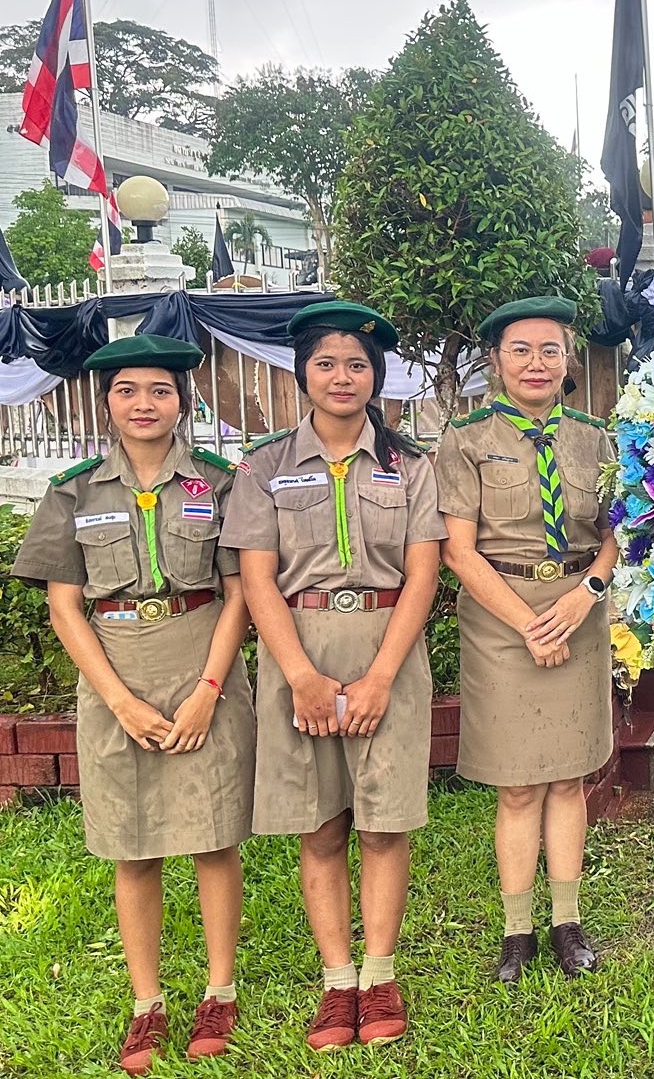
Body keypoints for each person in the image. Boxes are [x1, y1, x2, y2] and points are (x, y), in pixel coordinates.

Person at [11, 335, 255, 1075]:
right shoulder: (74, 490)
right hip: (116, 676)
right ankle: (147, 1002)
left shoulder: (219, 481)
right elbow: (65, 609)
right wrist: (117, 701)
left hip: (201, 663)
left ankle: (220, 990)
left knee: (214, 839)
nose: (144, 404)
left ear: (184, 400)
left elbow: (242, 592)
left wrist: (210, 691)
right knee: (134, 845)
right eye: (127, 391)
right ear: (107, 401)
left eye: (159, 390)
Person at [219, 301, 445, 1052]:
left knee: (383, 824)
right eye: (327, 364)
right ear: (303, 375)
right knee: (320, 826)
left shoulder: (409, 465)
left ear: (375, 376)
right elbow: (256, 580)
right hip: (300, 652)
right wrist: (299, 676)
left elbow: (422, 576)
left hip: (388, 649)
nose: (342, 377)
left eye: (357, 364)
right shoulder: (263, 467)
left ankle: (380, 977)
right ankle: (337, 981)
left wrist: (381, 676)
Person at [436, 297, 617, 984]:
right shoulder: (465, 439)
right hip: (500, 618)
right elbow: (459, 551)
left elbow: (615, 532)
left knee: (568, 777)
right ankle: (518, 932)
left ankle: (568, 922)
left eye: (550, 350)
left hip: (578, 609)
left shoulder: (596, 438)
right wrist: (527, 623)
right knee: (517, 787)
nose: (536, 363)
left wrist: (584, 597)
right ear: (496, 361)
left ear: (568, 359)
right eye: (521, 350)